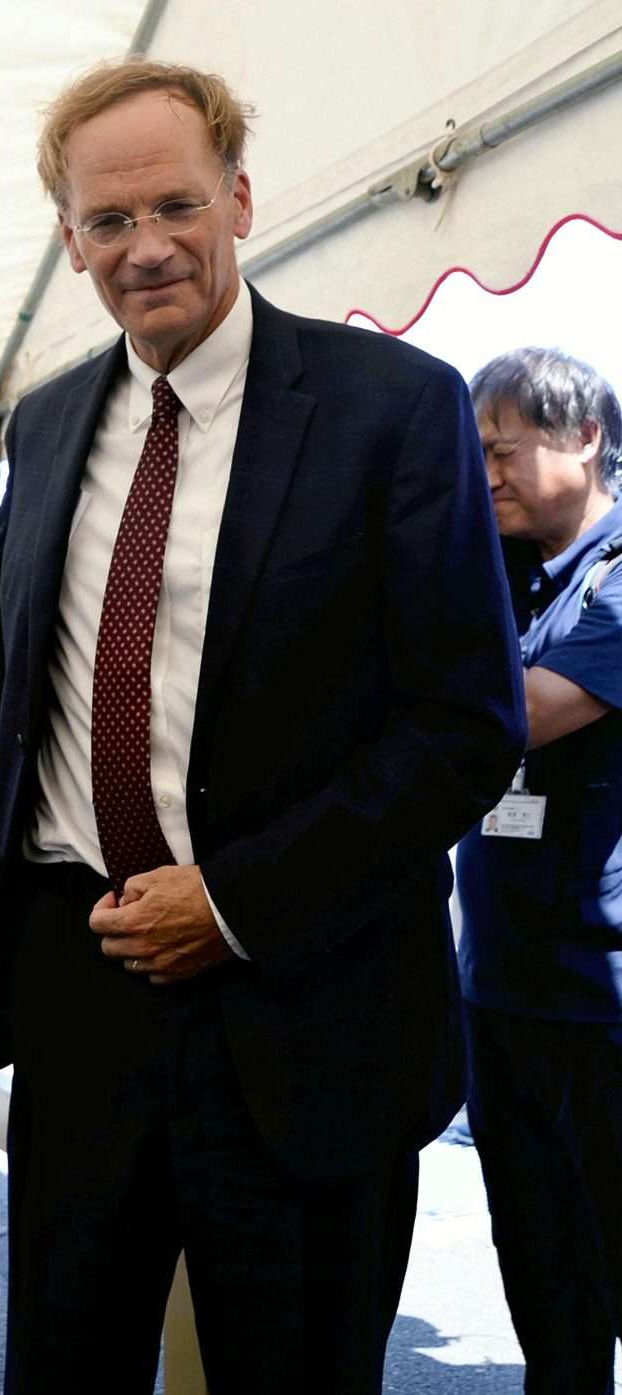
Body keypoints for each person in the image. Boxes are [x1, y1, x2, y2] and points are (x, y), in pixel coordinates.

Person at [0, 59, 524, 1392]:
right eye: (108, 222)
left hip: (300, 992)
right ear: (69, 240)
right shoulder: (54, 421)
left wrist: (230, 900)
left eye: (175, 206)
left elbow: (462, 727)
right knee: (66, 1361)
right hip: (82, 987)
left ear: (236, 199)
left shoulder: (393, 408)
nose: (147, 246)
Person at [455, 347, 622, 1389]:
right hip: (502, 996)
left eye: (502, 452)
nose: (485, 476)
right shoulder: (503, 582)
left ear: (587, 438)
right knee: (544, 1288)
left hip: (602, 1006)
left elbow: (510, 720)